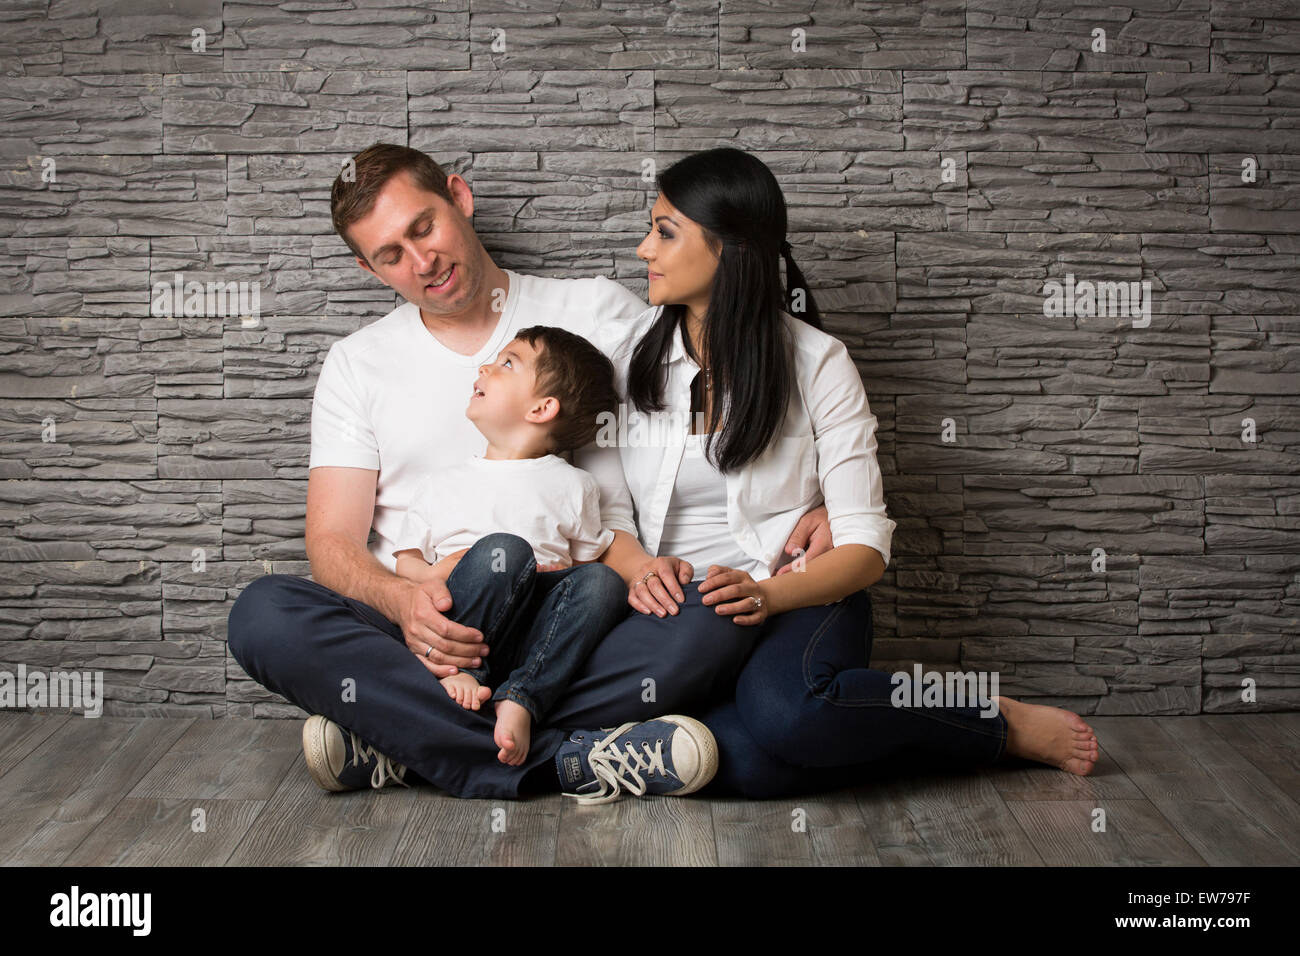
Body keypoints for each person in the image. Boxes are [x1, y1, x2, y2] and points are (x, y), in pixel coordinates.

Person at [227, 143, 836, 804]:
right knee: (264, 614)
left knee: (710, 619)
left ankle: (399, 736)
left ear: (458, 198)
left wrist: (825, 494)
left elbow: (737, 352)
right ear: (367, 268)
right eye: (390, 255)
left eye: (423, 228)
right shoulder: (357, 364)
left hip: (570, 622)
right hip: (425, 625)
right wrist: (405, 604)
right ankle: (567, 756)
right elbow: (333, 544)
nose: (421, 261)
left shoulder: (595, 312)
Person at [574, 146, 1101, 797]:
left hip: (796, 597)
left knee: (792, 720)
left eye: (664, 231)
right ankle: (785, 734)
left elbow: (863, 548)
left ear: (730, 249)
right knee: (751, 756)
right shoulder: (625, 356)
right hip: (676, 616)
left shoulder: (818, 362)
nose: (641, 250)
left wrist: (766, 594)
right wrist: (639, 568)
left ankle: (992, 720)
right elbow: (605, 511)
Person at [389, 326, 629, 768]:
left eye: (506, 363)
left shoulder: (575, 485)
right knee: (505, 552)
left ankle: (521, 695)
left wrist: (558, 579)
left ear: (541, 408)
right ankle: (461, 672)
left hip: (535, 632)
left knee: (603, 581)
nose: (484, 367)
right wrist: (435, 574)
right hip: (464, 622)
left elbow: (582, 567)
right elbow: (406, 564)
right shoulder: (441, 484)